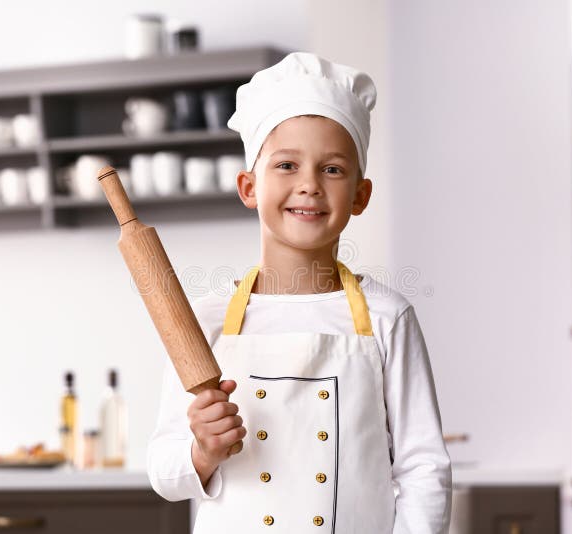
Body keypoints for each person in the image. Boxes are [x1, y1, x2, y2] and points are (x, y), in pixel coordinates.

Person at [147, 51, 451, 533]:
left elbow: (423, 469)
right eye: (286, 165)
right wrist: (201, 451)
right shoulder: (203, 320)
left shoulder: (387, 317)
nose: (308, 185)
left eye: (332, 169)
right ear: (249, 186)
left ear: (360, 194)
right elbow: (165, 472)